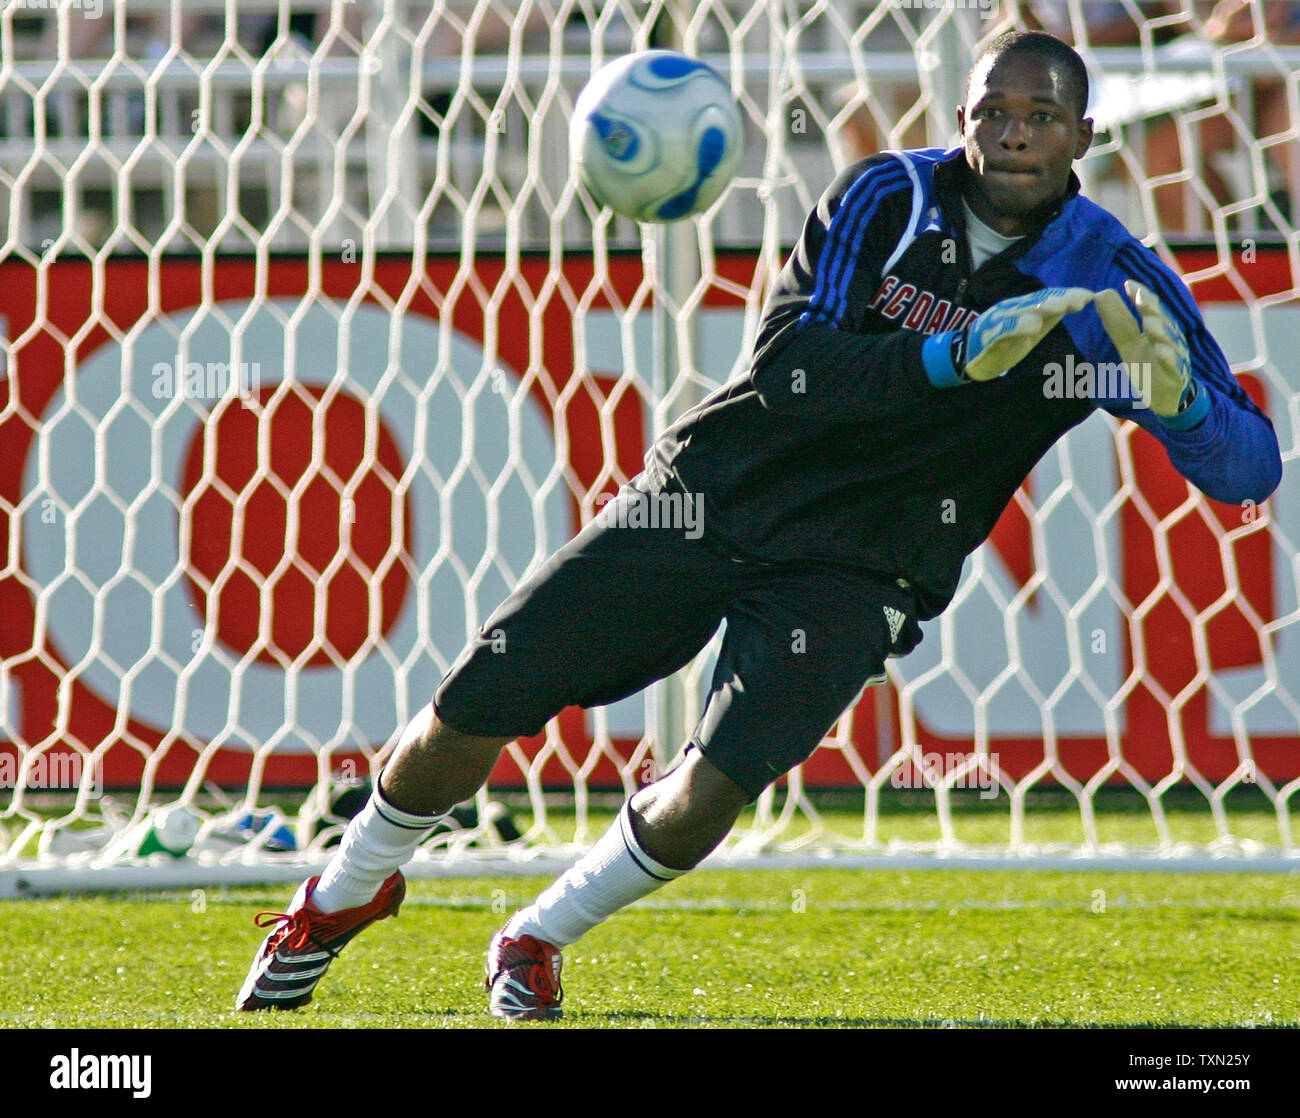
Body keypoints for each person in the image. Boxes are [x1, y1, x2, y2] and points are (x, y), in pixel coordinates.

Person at [234, 30, 1282, 1020]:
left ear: (1083, 138)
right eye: (994, 111)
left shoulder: (1112, 275)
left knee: (708, 790)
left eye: (1042, 116)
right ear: (958, 119)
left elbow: (1249, 467)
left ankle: (535, 934)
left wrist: (1176, 399)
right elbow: (785, 368)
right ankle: (344, 889)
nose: (1015, 132)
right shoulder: (888, 196)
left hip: (863, 561)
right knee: (472, 706)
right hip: (715, 491)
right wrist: (948, 358)